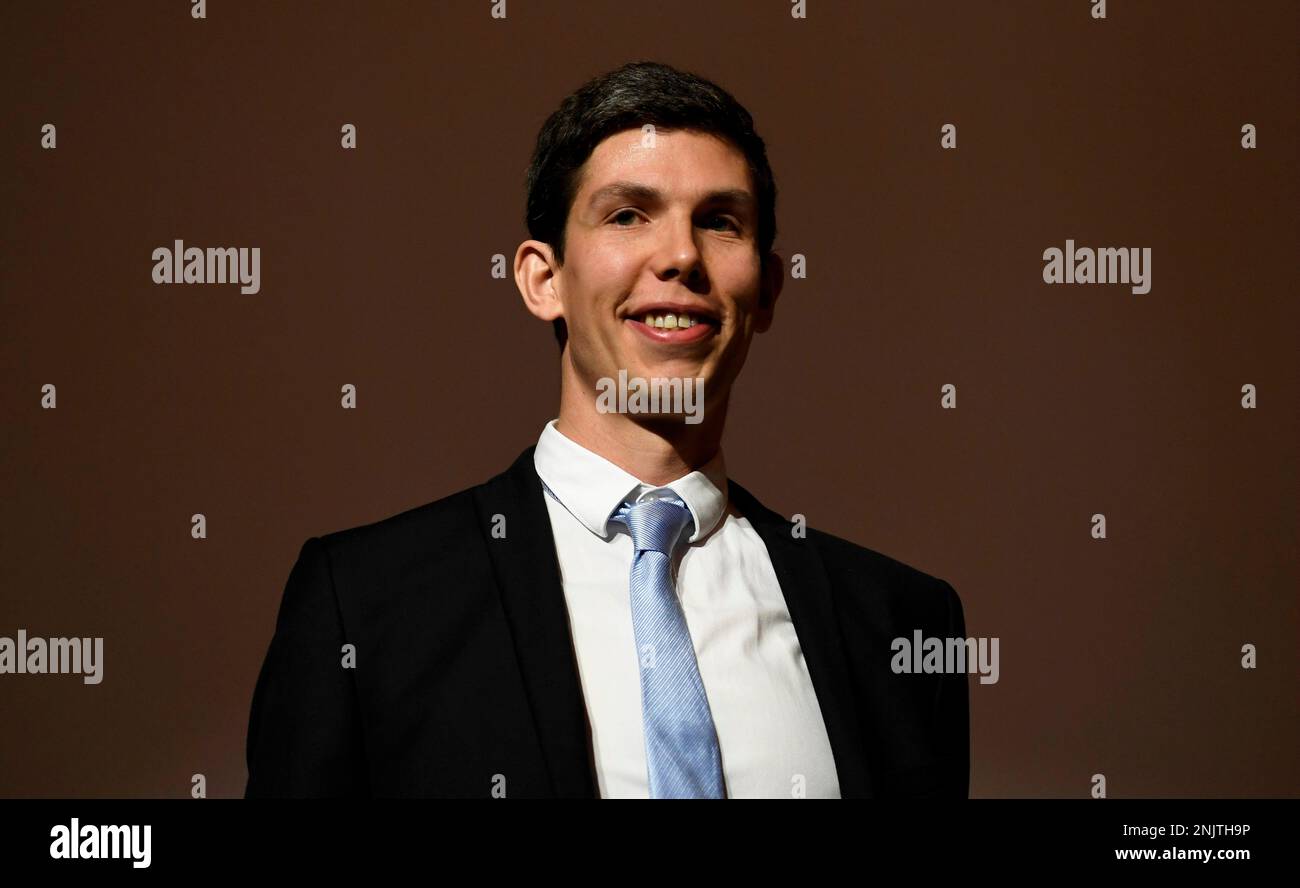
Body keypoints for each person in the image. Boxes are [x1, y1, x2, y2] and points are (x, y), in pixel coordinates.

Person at [244, 60, 968, 799]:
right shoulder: (366, 601)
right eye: (628, 214)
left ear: (769, 289)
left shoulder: (899, 624)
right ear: (541, 279)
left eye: (720, 221)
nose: (680, 256)